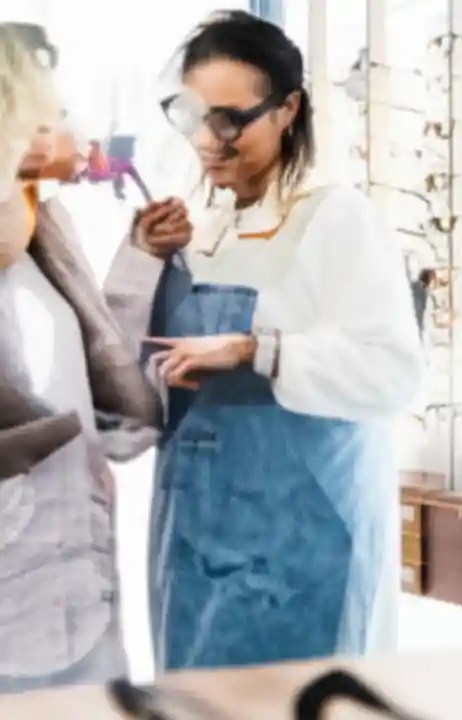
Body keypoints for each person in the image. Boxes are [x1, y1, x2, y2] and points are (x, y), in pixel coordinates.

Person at [104, 10, 422, 671]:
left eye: (231, 119)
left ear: (288, 109)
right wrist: (138, 255)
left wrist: (258, 350)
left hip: (305, 555)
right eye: (193, 117)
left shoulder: (336, 219)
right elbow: (120, 396)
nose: (209, 139)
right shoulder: (195, 232)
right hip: (194, 551)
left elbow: (393, 372)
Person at [0, 23, 160, 692]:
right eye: (52, 113)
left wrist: (143, 258)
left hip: (80, 586)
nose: (71, 130)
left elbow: (99, 375)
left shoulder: (44, 232)